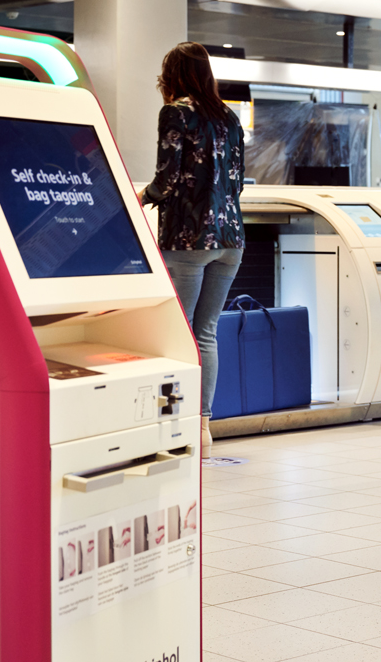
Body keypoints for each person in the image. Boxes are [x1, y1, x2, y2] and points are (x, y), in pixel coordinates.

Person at [139, 42, 245, 458]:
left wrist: (143, 198)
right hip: (231, 236)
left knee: (178, 330)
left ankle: (173, 427)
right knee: (206, 333)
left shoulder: (175, 112)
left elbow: (166, 176)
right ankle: (202, 427)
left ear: (173, 74)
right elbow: (236, 182)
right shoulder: (229, 117)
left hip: (188, 236)